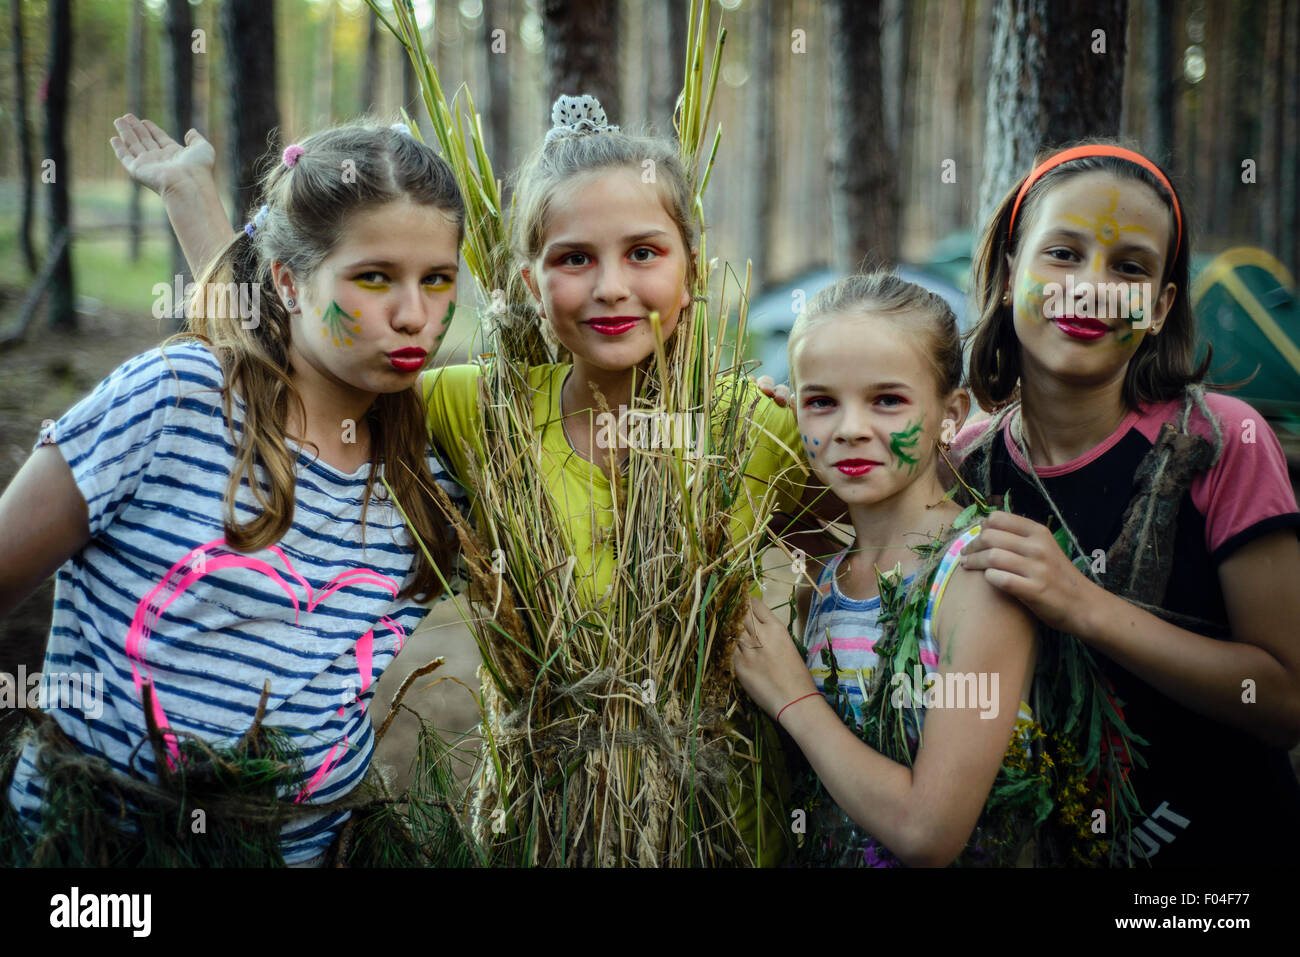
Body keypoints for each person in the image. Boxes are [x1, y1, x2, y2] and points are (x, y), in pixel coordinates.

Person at [107, 98, 830, 865]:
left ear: (692, 267)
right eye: (574, 258)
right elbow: (295, 355)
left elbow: (878, 524)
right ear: (530, 282)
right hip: (544, 823)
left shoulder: (751, 427)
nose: (612, 286)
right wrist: (192, 199)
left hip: (721, 824)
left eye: (645, 253)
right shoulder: (486, 409)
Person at [0, 121, 468, 865]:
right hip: (93, 855)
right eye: (374, 277)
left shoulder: (428, 485)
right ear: (287, 280)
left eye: (436, 279)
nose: (413, 314)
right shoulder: (174, 401)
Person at [954, 143, 1300, 866]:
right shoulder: (966, 466)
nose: (1092, 287)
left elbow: (1285, 701)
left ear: (1161, 306)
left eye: (1131, 268)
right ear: (1013, 271)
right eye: (1063, 254)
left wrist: (1087, 606)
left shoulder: (1222, 441)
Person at [733, 273, 1039, 867]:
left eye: (887, 400)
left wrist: (791, 697)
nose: (849, 428)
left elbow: (929, 833)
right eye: (821, 402)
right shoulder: (825, 581)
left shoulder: (975, 577)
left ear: (951, 414)